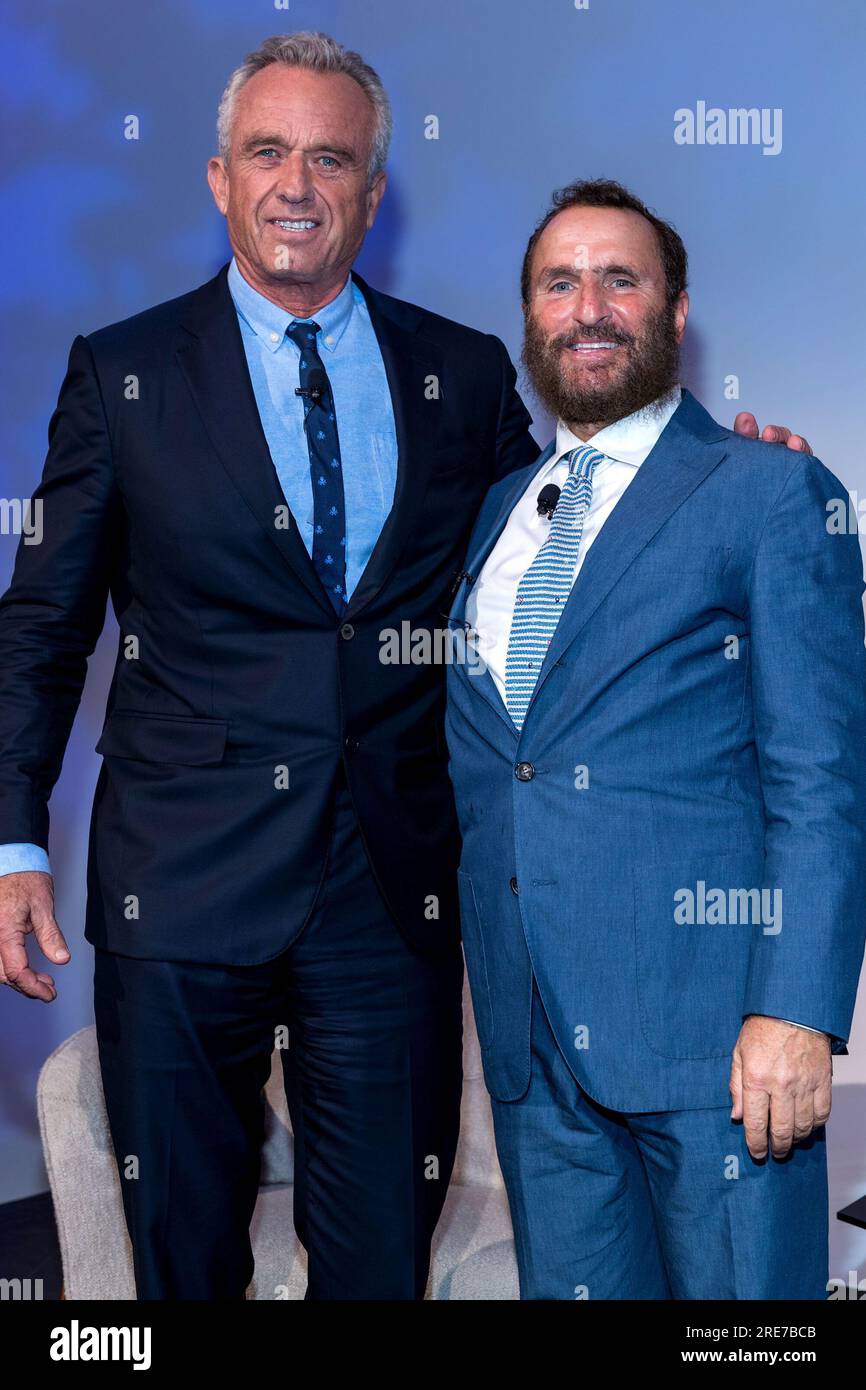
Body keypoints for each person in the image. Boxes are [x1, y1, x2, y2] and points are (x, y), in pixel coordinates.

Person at [0, 33, 810, 1301]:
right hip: (184, 882)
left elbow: (562, 528)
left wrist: (727, 473)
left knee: (382, 1251)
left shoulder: (463, 373)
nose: (296, 183)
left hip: (392, 893)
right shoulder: (125, 373)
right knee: (182, 1257)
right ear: (217, 178)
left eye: (332, 157)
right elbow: (40, 628)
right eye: (267, 151)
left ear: (375, 193)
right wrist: (13, 840)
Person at [445, 178, 866, 1300]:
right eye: (557, 282)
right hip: (531, 1041)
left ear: (674, 312)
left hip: (716, 1045)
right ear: (529, 316)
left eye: (618, 279)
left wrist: (797, 1011)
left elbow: (820, 775)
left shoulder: (770, 489)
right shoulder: (495, 514)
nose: (587, 306)